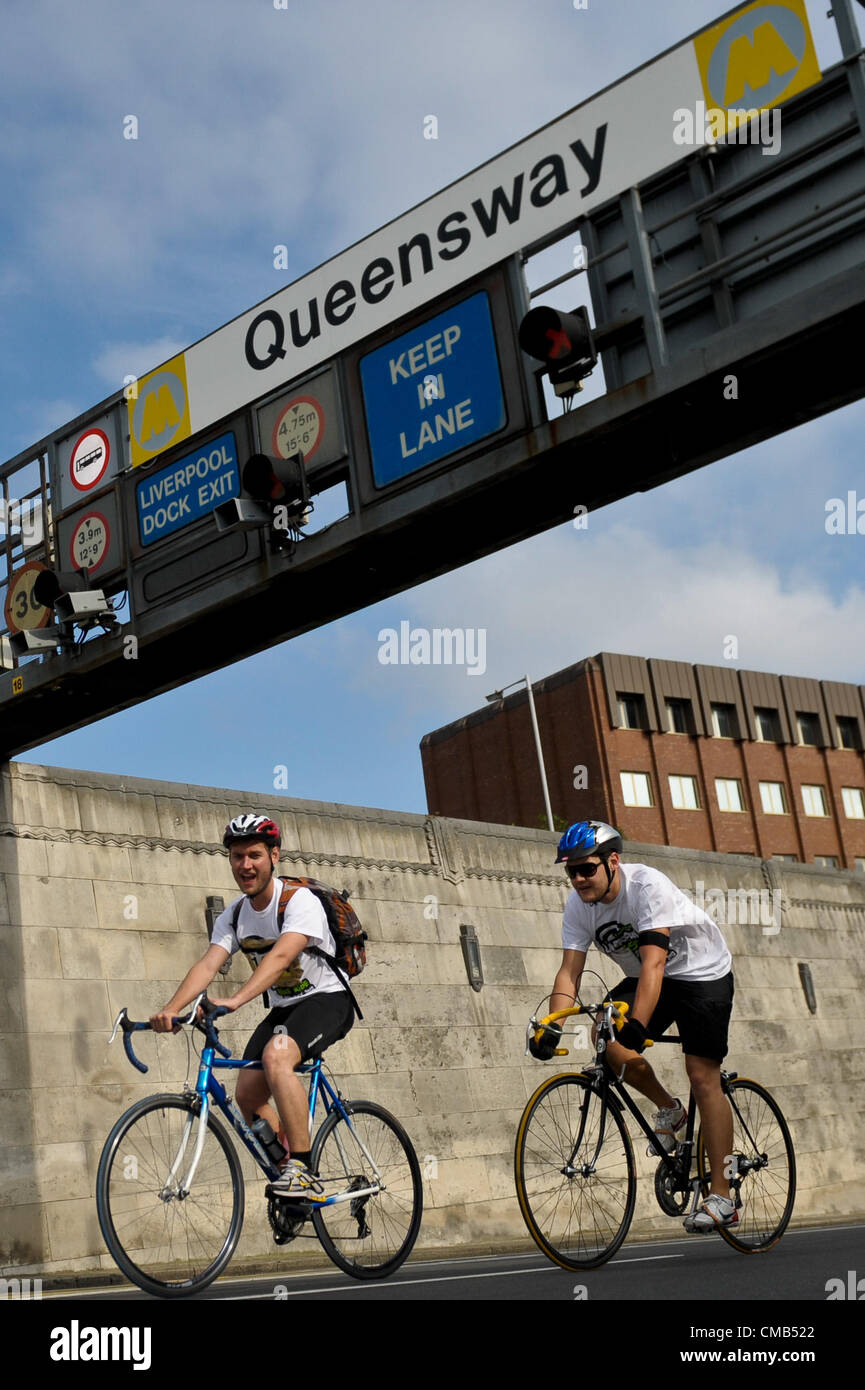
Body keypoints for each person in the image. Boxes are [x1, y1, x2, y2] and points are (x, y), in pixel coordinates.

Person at [532, 819, 737, 1233]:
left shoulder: (646, 887)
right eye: (570, 871)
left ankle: (723, 1195)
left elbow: (655, 962)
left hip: (701, 973)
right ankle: (669, 1109)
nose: (578, 878)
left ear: (613, 861)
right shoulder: (578, 906)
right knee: (605, 1036)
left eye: (586, 868)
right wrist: (549, 1025)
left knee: (702, 1074)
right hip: (649, 976)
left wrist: (640, 1025)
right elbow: (569, 973)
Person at [150, 813, 354, 1199]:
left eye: (255, 855)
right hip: (285, 1010)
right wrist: (172, 1009)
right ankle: (285, 1175)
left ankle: (303, 1171)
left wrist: (235, 1000)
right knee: (246, 1094)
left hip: (329, 1000)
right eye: (237, 856)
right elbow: (210, 962)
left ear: (274, 856)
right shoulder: (235, 915)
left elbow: (279, 959)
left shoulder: (299, 902)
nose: (245, 865)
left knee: (278, 1057)